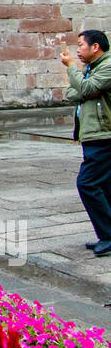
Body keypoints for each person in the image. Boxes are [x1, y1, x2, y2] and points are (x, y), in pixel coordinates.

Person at [61, 29, 111, 256]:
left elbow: (87, 88)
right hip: (93, 134)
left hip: (104, 135)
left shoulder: (108, 66)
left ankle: (108, 235)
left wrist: (71, 66)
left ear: (95, 47)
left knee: (87, 184)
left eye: (81, 45)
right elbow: (73, 93)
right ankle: (108, 235)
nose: (77, 50)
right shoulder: (92, 68)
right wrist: (81, 84)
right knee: (104, 186)